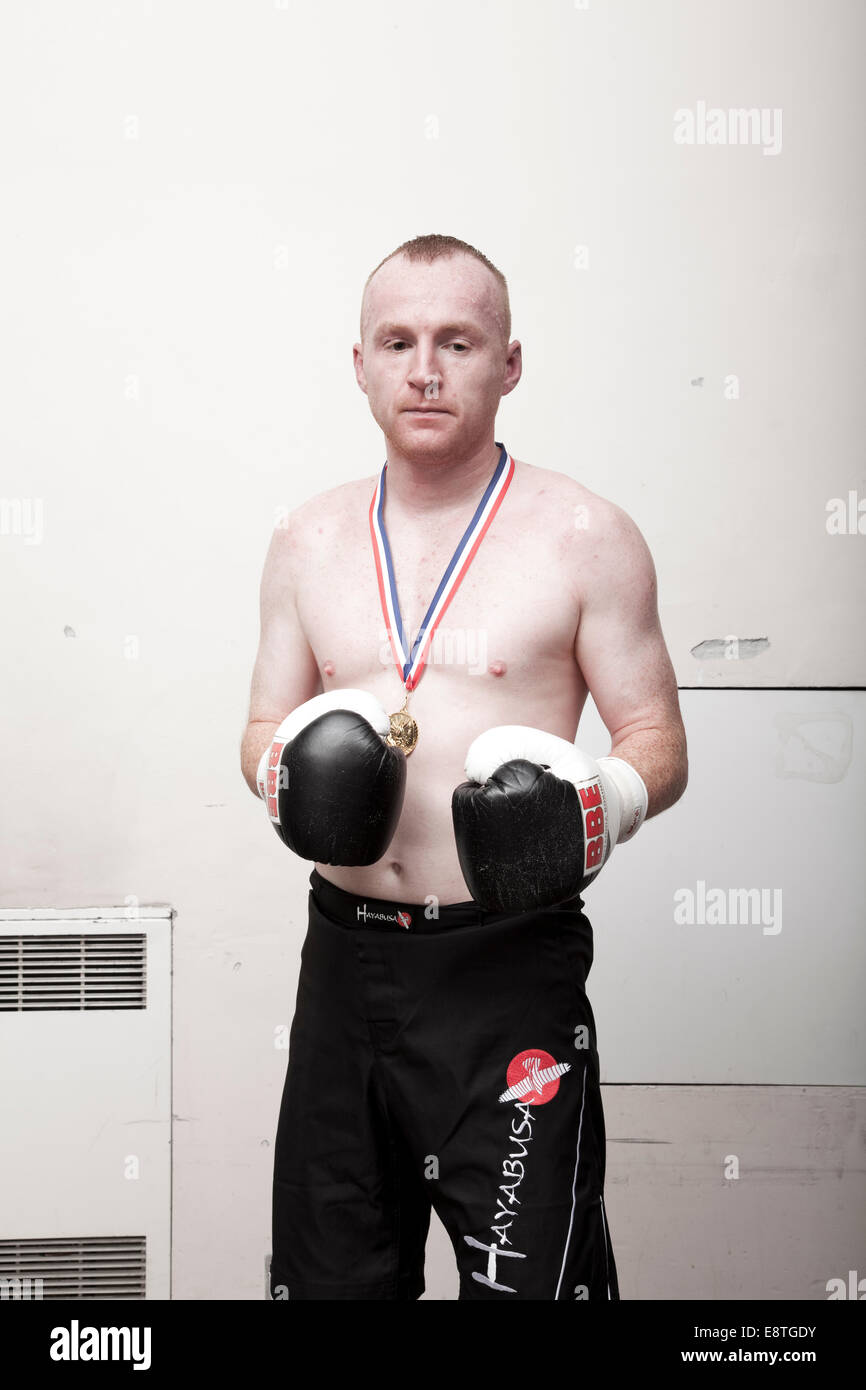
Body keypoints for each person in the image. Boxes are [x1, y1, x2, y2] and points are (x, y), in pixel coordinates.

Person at [240, 233, 688, 1301]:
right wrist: (286, 774)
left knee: (527, 1288)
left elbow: (656, 740)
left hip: (505, 975)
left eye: (457, 340)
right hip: (344, 968)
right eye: (397, 341)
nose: (425, 368)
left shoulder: (586, 535)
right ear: (359, 363)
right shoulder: (305, 541)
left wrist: (604, 799)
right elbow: (260, 724)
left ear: (509, 362)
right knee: (330, 1283)